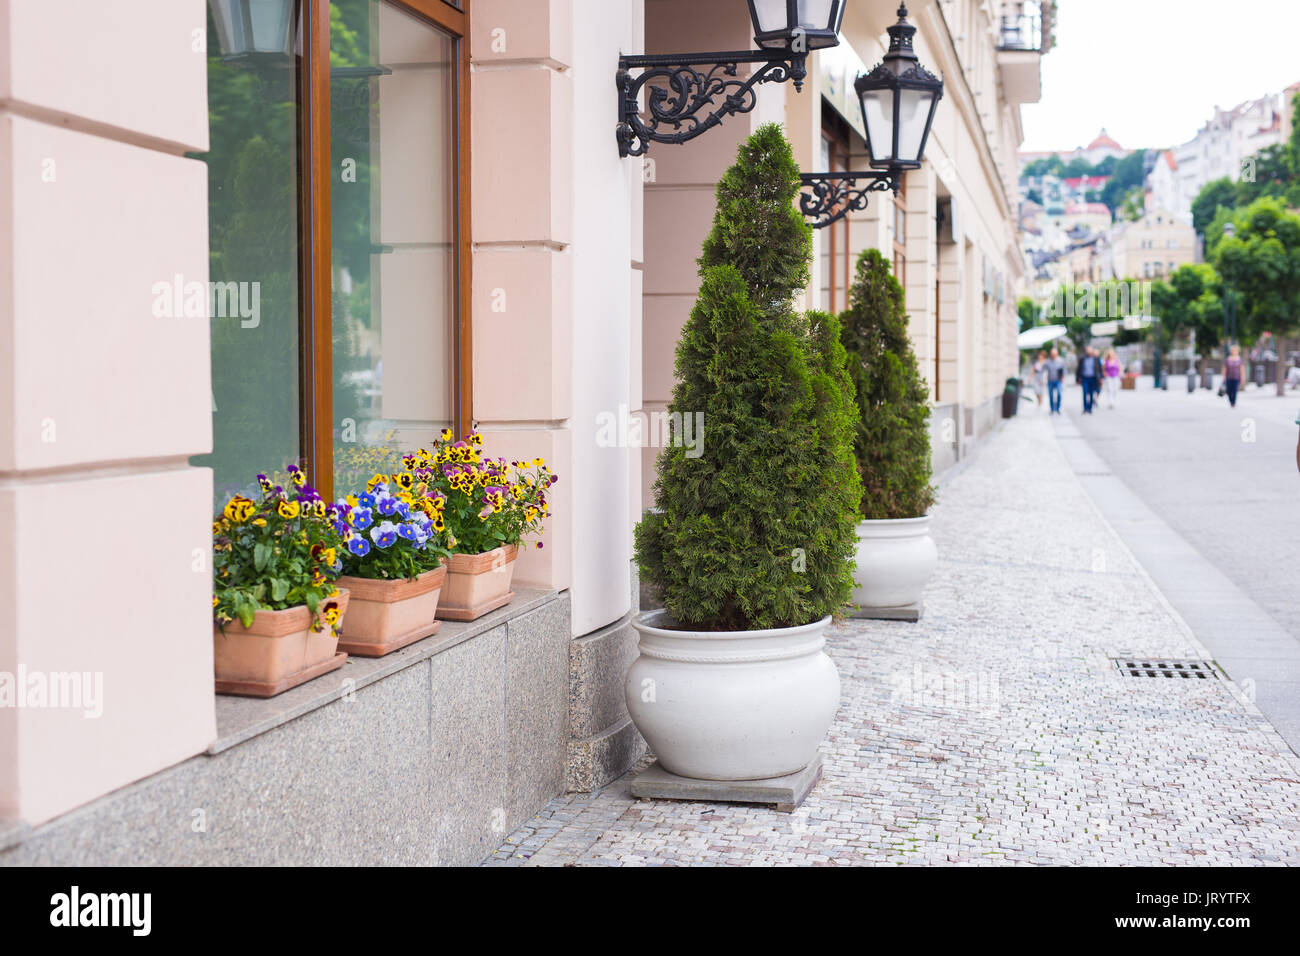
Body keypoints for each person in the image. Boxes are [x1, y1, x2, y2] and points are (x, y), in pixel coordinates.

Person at [1079, 346, 1101, 414]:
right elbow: (1079, 368)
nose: (1089, 352)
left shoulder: (1095, 359)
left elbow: (1099, 369)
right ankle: (1085, 408)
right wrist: (1078, 378)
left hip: (1093, 378)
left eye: (1090, 350)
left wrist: (1101, 378)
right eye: (1088, 350)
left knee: (1091, 393)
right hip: (1085, 378)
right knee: (1085, 393)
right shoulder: (1082, 359)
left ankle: (1090, 408)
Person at [1044, 347, 1065, 414]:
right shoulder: (1047, 361)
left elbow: (1064, 370)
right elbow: (1044, 370)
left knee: (1059, 394)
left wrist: (1062, 378)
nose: (1053, 355)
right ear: (1050, 354)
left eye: (1054, 354)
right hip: (1050, 380)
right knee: (1051, 395)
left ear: (1057, 354)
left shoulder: (1060, 361)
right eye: (1052, 354)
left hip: (1058, 380)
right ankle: (1052, 409)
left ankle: (1058, 408)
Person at [1222, 344, 1244, 408]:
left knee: (1234, 390)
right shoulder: (1228, 359)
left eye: (1235, 350)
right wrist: (1223, 377)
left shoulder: (1239, 359)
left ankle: (1233, 403)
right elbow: (1224, 368)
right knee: (1229, 390)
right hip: (1229, 377)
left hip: (1237, 377)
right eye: (1233, 350)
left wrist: (1243, 377)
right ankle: (1230, 400)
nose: (1234, 352)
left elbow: (1242, 369)